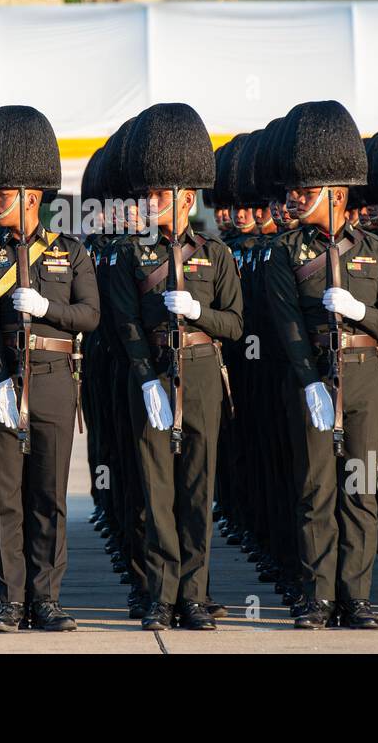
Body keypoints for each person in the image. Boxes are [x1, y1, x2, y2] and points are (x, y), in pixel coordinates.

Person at [263, 101, 378, 629]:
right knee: (316, 489)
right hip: (314, 376)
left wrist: (360, 311)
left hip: (366, 373)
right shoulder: (286, 252)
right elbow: (286, 328)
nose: (294, 198)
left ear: (336, 194)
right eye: (294, 190)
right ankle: (318, 596)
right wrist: (308, 382)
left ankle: (357, 596)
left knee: (361, 488)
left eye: (305, 190)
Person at [0, 105, 99, 633]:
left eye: (2, 194)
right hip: (5, 380)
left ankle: (46, 598)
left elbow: (90, 315)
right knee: (5, 497)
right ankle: (8, 599)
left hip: (56, 379)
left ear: (32, 196)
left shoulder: (71, 252)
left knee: (49, 495)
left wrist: (47, 309)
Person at [109, 103, 243, 631]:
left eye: (159, 195)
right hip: (155, 375)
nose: (149, 203)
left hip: (204, 369)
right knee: (156, 489)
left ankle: (195, 593)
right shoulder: (131, 255)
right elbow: (124, 325)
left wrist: (199, 313)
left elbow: (235, 324)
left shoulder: (218, 254)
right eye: (146, 194)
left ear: (186, 198)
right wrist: (146, 380)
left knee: (197, 487)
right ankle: (160, 595)